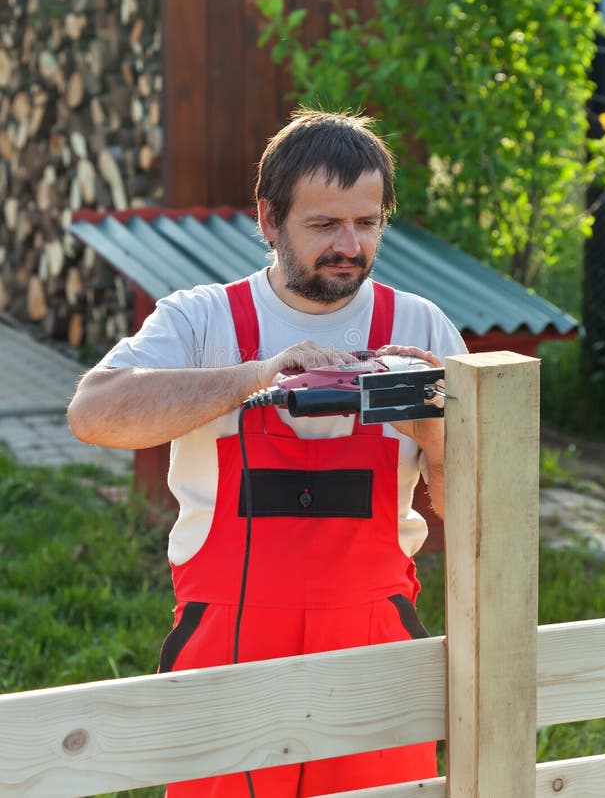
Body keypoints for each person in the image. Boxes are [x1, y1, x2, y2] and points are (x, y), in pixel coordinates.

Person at [68, 108, 466, 798]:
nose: (349, 244)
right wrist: (258, 376)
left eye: (366, 224)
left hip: (373, 639)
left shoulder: (419, 326)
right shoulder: (201, 319)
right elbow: (94, 415)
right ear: (268, 220)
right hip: (226, 638)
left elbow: (482, 516)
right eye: (323, 225)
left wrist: (432, 434)